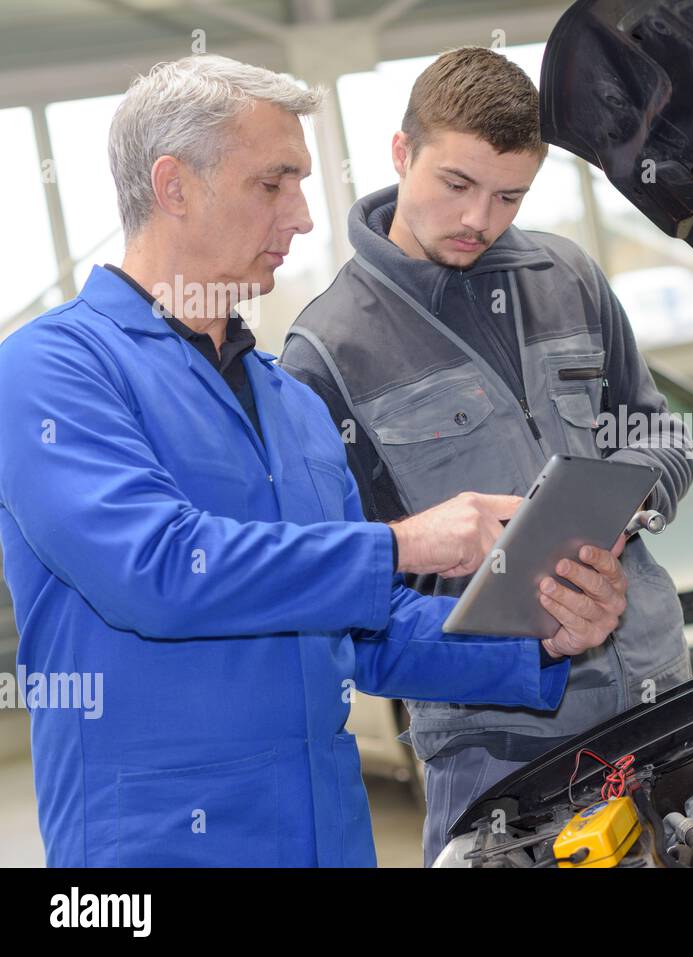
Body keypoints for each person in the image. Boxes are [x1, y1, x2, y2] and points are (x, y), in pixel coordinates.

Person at [0, 54, 626, 867]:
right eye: (274, 184)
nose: (301, 218)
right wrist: (407, 543)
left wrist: (543, 630)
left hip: (328, 839)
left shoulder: (288, 404)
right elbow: (156, 567)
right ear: (174, 185)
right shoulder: (51, 370)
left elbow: (366, 627)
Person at [281, 47, 693, 865]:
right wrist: (521, 636)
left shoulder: (567, 275)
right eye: (457, 185)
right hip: (496, 748)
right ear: (402, 154)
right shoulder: (326, 354)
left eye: (510, 195)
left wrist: (630, 504)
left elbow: (658, 429)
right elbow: (350, 590)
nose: (480, 218)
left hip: (656, 689)